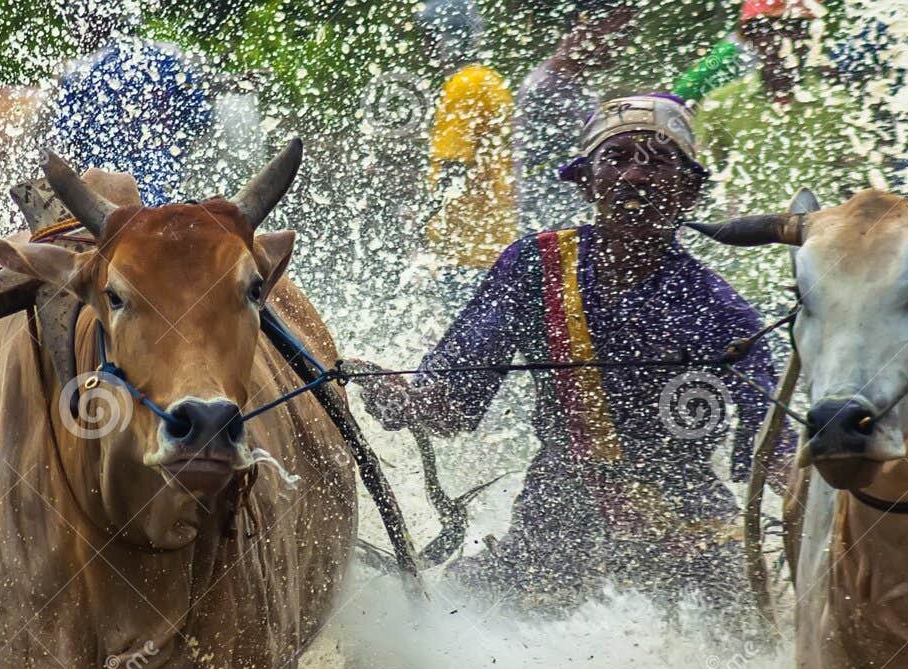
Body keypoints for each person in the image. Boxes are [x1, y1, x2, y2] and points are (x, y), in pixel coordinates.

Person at [361, 95, 794, 613]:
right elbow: (449, 406)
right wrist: (402, 401)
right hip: (554, 528)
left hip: (691, 545)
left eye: (658, 161)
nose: (635, 175)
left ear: (689, 191)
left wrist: (836, 491)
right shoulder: (535, 266)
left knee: (747, 636)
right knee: (438, 618)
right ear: (587, 182)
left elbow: (776, 449)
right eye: (617, 158)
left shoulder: (721, 312)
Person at [692, 0, 856, 305]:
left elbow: (857, 191)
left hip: (826, 267)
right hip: (748, 270)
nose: (783, 39)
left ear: (810, 35)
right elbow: (699, 188)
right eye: (768, 30)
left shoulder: (838, 105)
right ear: (751, 38)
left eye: (795, 28)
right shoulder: (719, 106)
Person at [50, 2, 214, 206]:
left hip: (106, 205)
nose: (74, 32)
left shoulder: (79, 73)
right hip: (165, 192)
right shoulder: (169, 59)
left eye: (76, 25)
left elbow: (67, 139)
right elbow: (200, 120)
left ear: (91, 24)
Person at [418, 0, 517, 308]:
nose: (424, 47)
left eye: (428, 36)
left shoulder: (464, 85)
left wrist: (423, 225)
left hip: (465, 252)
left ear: (446, 37)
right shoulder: (489, 79)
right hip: (492, 242)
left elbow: (453, 168)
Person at [513, 3, 635, 234]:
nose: (623, 44)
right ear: (584, 24)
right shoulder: (548, 88)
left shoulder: (574, 85)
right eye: (620, 32)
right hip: (555, 232)